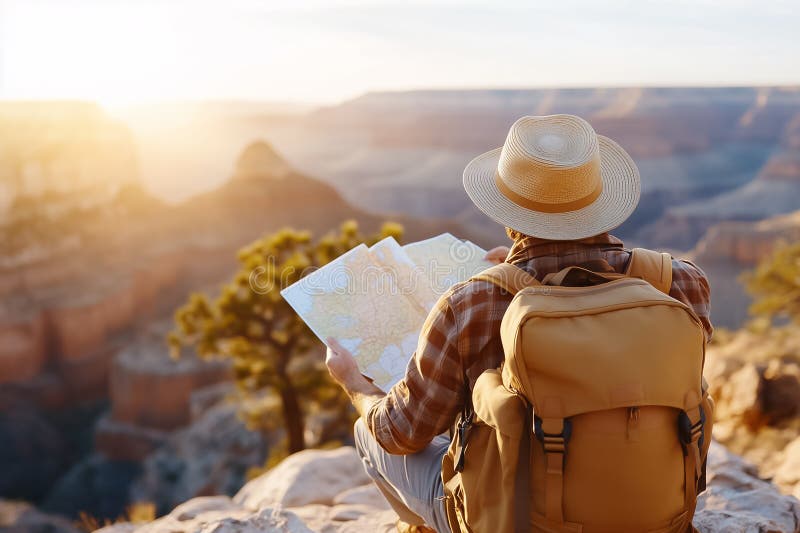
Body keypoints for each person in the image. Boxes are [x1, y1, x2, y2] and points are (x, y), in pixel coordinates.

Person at [324, 114, 713, 533]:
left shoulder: (469, 304)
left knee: (368, 431)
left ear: (508, 217)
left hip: (518, 521)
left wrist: (355, 385)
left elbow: (401, 432)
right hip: (658, 518)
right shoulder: (681, 283)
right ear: (601, 204)